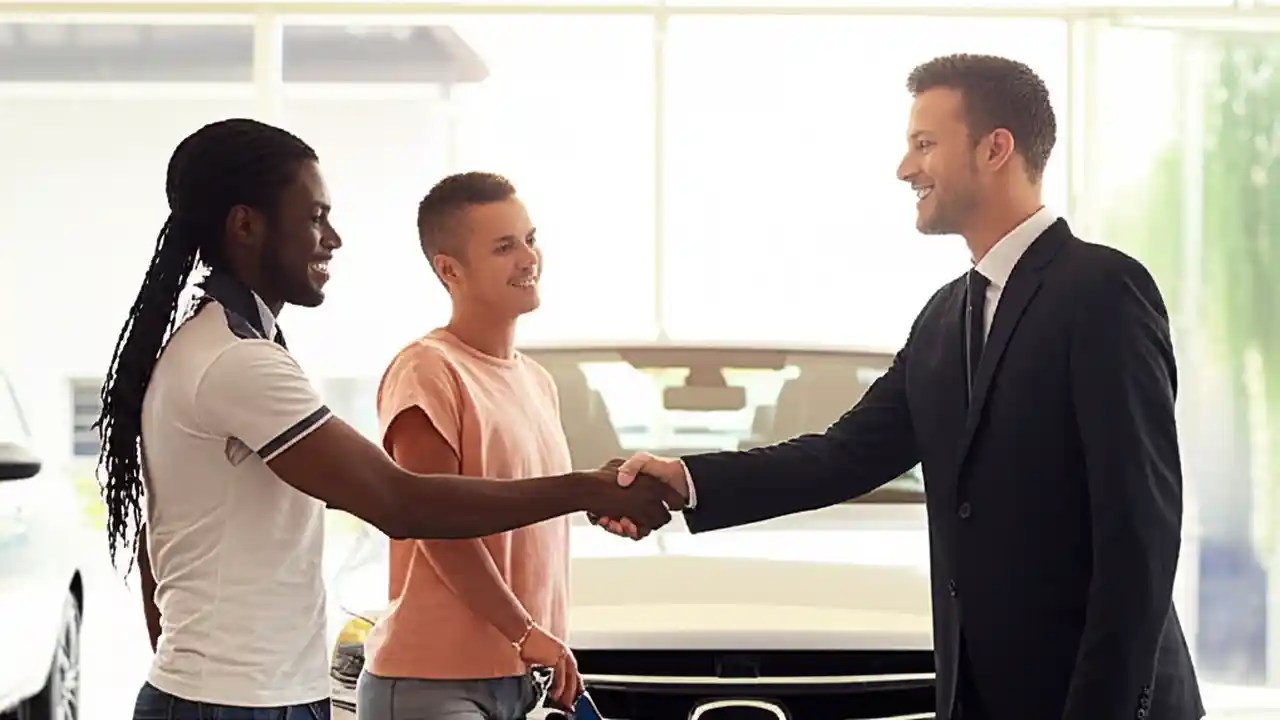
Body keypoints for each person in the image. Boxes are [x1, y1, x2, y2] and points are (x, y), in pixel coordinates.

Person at [597, 54, 1205, 720]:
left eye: (924, 144)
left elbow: (1139, 533)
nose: (905, 167)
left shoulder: (1103, 292)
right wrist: (687, 480)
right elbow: (845, 456)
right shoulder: (945, 316)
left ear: (995, 148)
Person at [92, 119, 680, 720]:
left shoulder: (229, 347)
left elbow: (157, 539)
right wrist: (587, 489)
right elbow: (401, 503)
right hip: (232, 703)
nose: (334, 239)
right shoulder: (236, 362)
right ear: (246, 225)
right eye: (315, 217)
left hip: (249, 696)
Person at [354, 172, 582, 719]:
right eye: (505, 247)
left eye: (530, 238)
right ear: (448, 269)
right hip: (432, 683)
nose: (528, 258)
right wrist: (524, 631)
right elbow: (434, 525)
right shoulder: (428, 369)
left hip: (521, 681)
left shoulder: (537, 381)